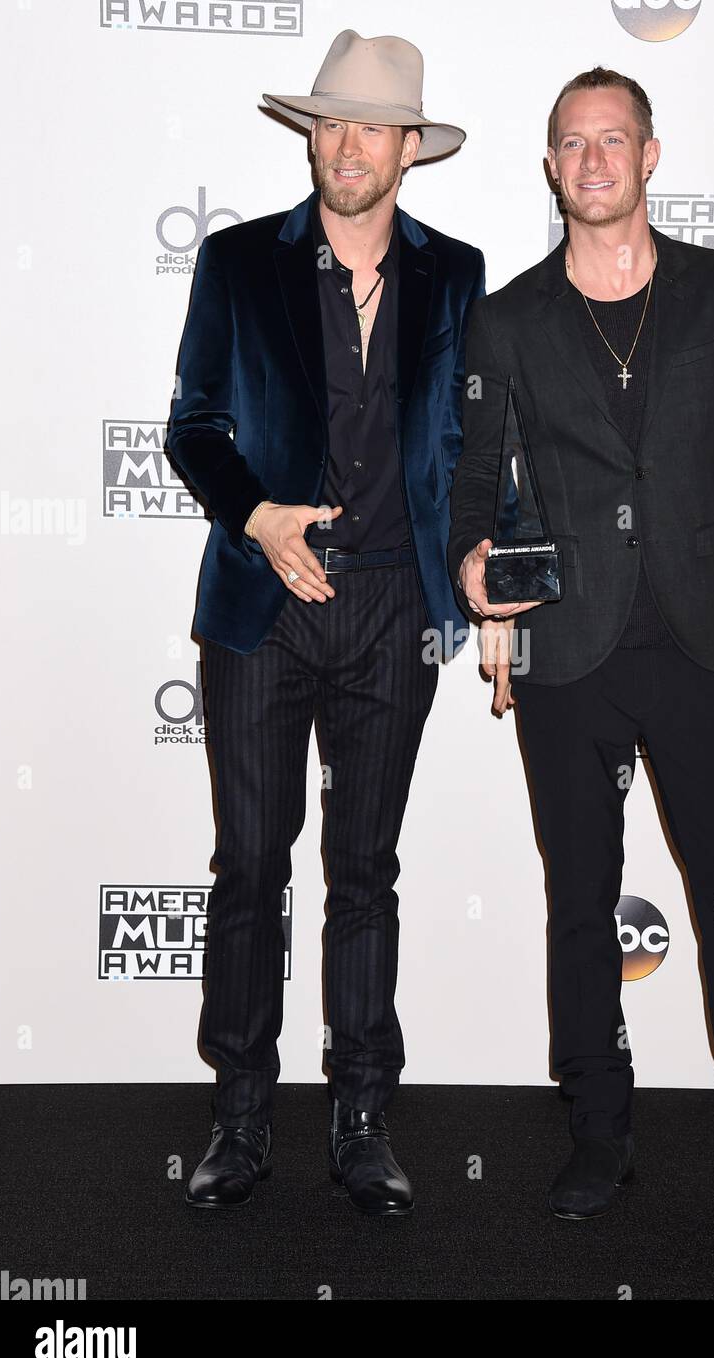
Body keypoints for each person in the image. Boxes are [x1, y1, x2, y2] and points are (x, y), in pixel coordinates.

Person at [448, 67, 714, 1244]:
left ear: (650, 154)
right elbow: (476, 478)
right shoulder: (509, 319)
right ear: (548, 166)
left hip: (702, 635)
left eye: (610, 140)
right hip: (567, 648)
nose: (591, 161)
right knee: (579, 903)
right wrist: (478, 570)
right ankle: (596, 1134)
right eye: (569, 144)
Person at [166, 29, 485, 1214]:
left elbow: (469, 444)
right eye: (331, 122)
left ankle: (360, 1116)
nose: (348, 146)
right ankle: (240, 1115)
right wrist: (258, 519)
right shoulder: (241, 263)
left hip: (395, 606)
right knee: (250, 865)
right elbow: (192, 424)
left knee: (365, 871)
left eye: (373, 127)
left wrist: (480, 567)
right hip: (262, 607)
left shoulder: (455, 275)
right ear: (314, 134)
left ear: (410, 148)